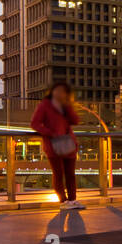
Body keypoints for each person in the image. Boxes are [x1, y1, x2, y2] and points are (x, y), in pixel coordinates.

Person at [30, 81, 84, 209]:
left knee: (70, 174)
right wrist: (51, 133)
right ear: (52, 91)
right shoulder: (44, 106)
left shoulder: (65, 106)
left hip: (68, 144)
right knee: (58, 173)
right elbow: (35, 124)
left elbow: (75, 120)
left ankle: (72, 200)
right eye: (57, 90)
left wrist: (68, 107)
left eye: (63, 91)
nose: (60, 93)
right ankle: (63, 201)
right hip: (53, 145)